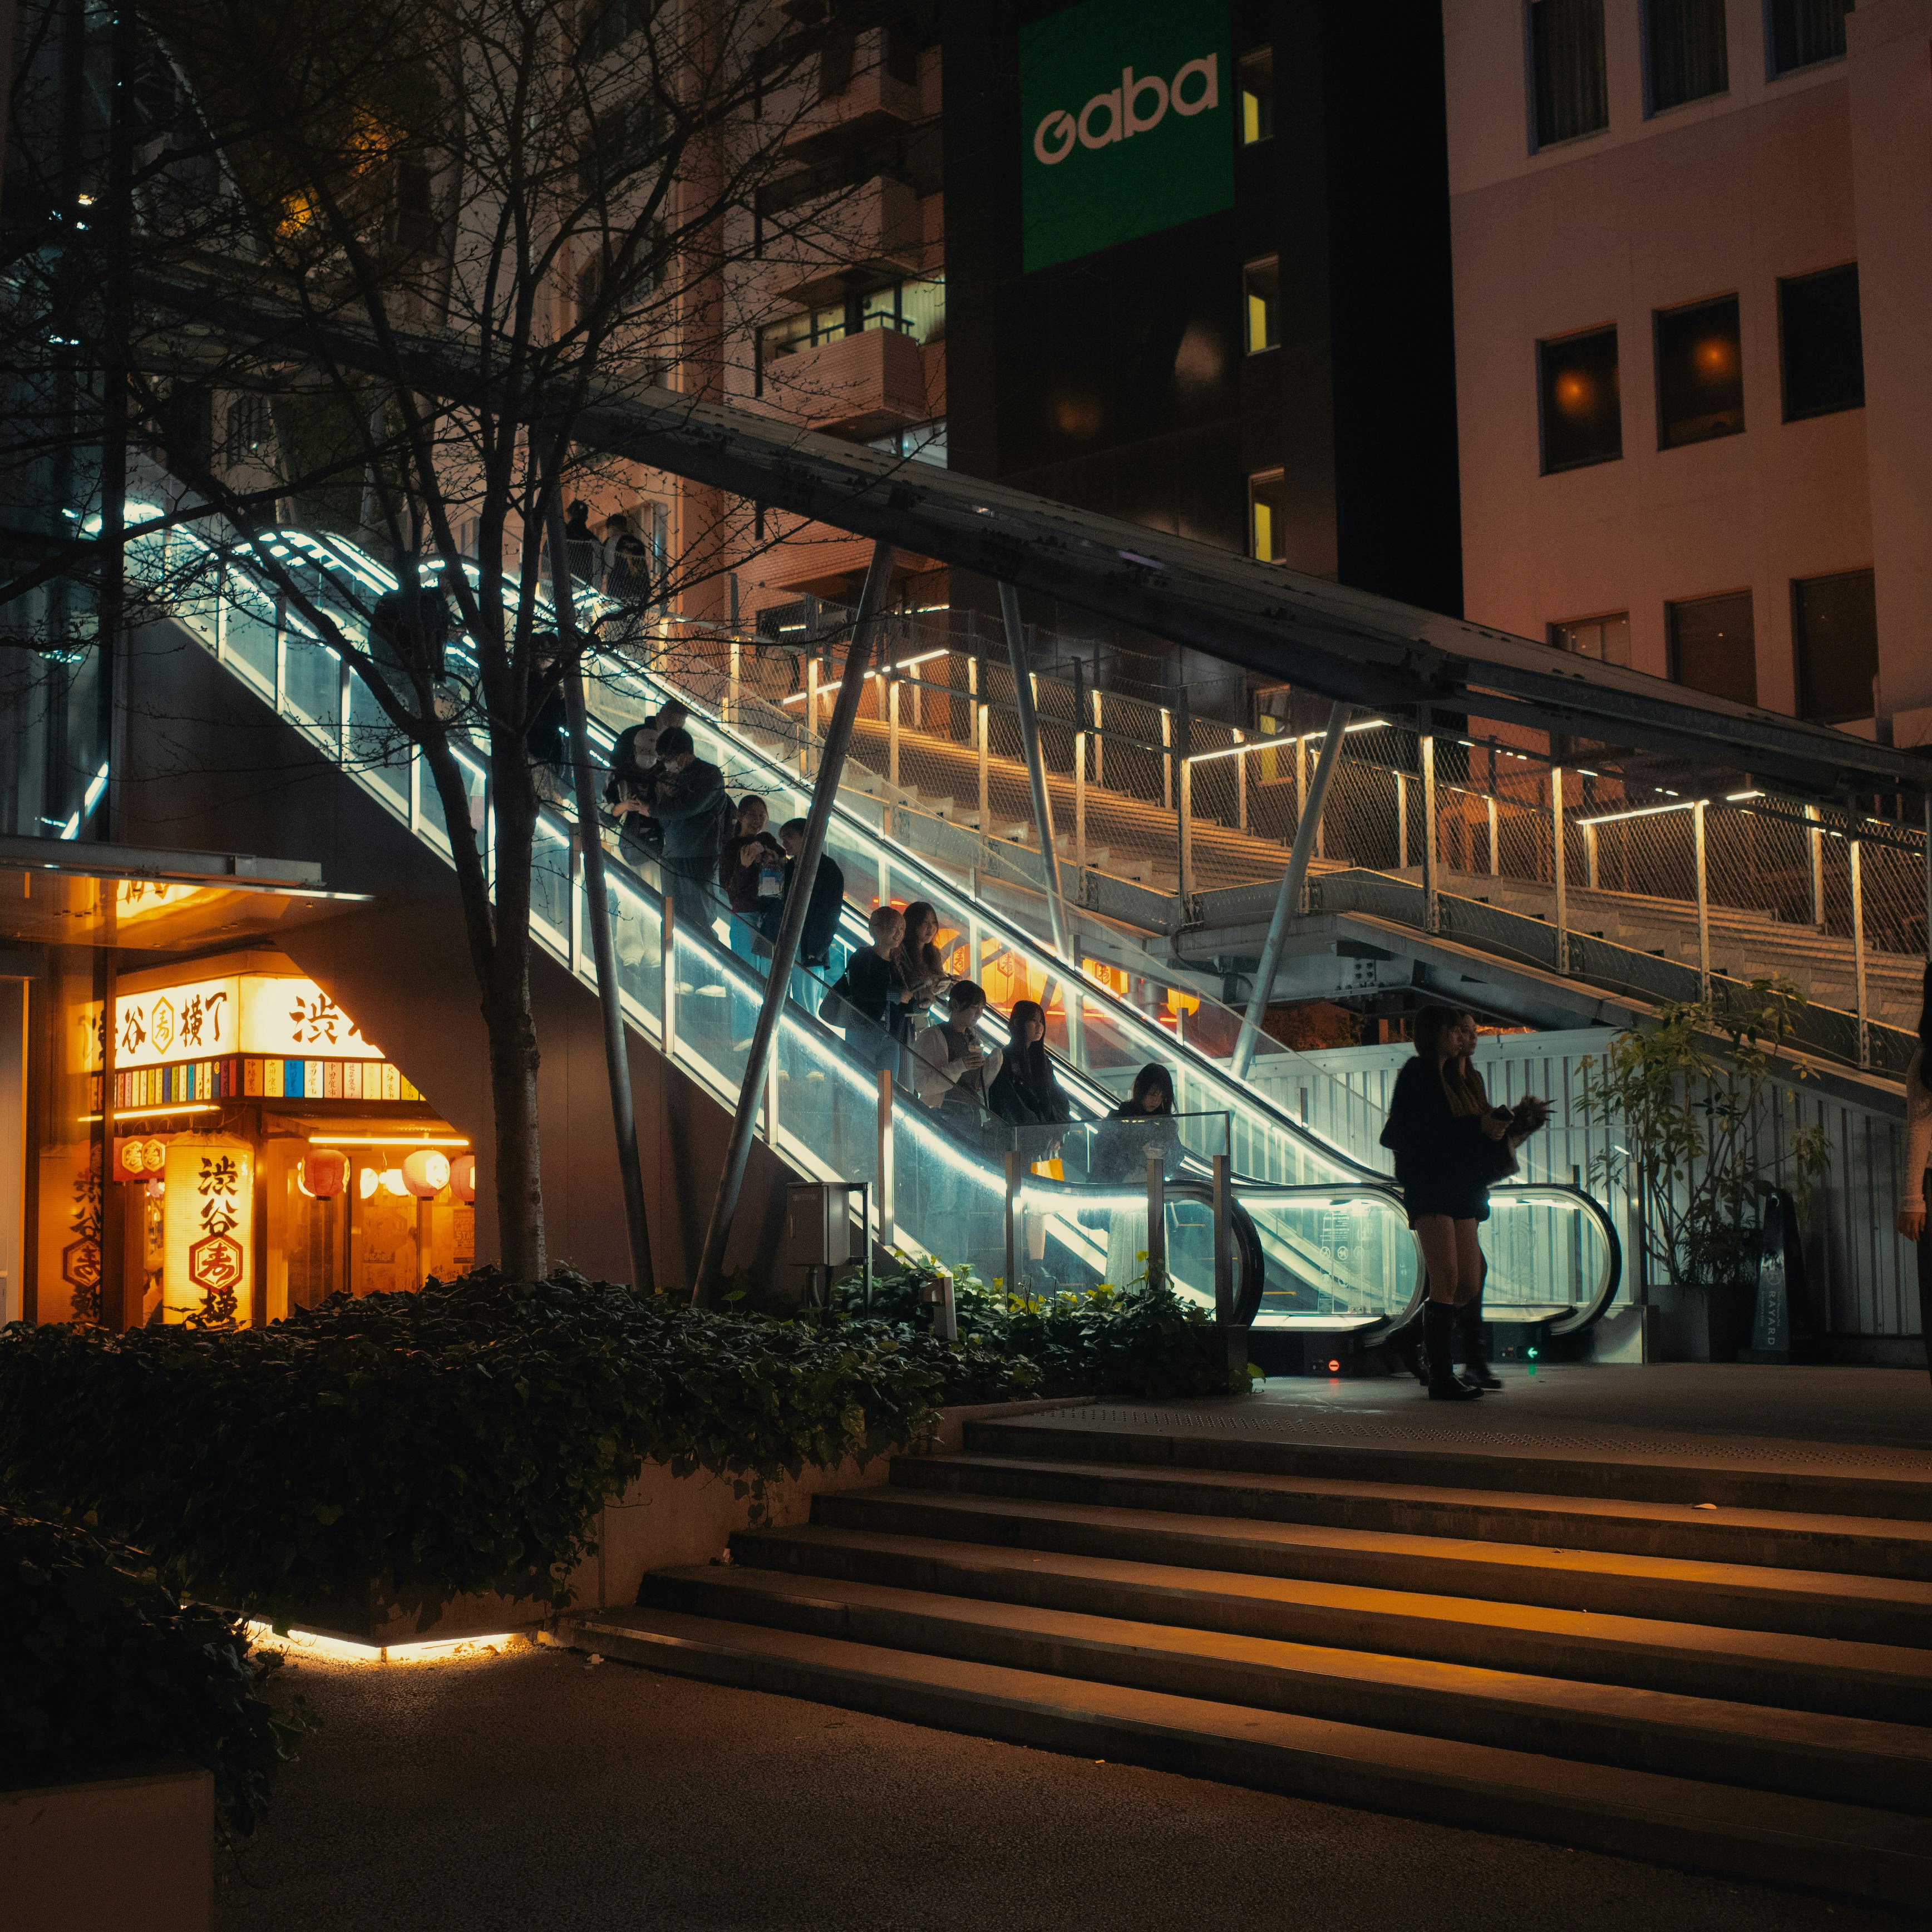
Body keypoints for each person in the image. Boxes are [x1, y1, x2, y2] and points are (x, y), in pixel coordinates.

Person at [1379, 1006, 1549, 1401]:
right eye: (1454, 1031)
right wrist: (1480, 1127)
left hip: (1462, 1187)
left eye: (1464, 1031)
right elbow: (1423, 1131)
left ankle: (1413, 1341)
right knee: (1448, 1277)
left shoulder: (1464, 1079)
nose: (1463, 1038)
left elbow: (1472, 1137)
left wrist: (1509, 1125)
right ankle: (1442, 1375)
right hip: (1431, 1185)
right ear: (1434, 1035)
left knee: (1468, 1281)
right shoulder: (1418, 1074)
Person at [1093, 1062, 1180, 1287]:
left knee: (1150, 1248)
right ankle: (1128, 1301)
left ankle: (1151, 1300)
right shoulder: (1121, 1116)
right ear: (1141, 1090)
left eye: (1160, 1095)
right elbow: (1106, 1153)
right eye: (1151, 1094)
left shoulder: (1166, 1123)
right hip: (1127, 1194)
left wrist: (1163, 1156)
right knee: (1127, 1251)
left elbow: (1177, 1156)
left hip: (1152, 1195)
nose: (1155, 1100)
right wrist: (1140, 1155)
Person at [645, 726, 728, 935]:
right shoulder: (669, 777)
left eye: (667, 757)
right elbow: (669, 814)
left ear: (683, 754)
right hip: (673, 854)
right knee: (672, 919)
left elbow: (686, 808)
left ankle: (707, 966)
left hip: (700, 856)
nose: (665, 763)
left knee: (700, 920)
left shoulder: (710, 775)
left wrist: (652, 810)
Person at [1895, 962, 1932, 1392]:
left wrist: (1914, 1200)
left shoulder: (1925, 1057)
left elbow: (1920, 1127)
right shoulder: (1926, 1060)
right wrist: (1913, 1198)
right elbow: (1921, 1127)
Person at [913, 979, 1002, 1135]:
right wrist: (960, 1066)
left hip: (972, 1114)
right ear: (955, 1005)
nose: (979, 1014)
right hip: (945, 1113)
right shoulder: (932, 1036)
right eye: (974, 1007)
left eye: (982, 1008)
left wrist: (992, 1065)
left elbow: (976, 1084)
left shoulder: (972, 1036)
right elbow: (923, 1085)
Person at [826, 903, 906, 1073]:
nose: (899, 933)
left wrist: (918, 1004)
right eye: (893, 928)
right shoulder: (863, 956)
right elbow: (861, 991)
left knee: (889, 1091)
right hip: (863, 1030)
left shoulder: (898, 963)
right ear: (876, 930)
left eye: (902, 929)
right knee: (862, 1081)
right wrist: (894, 995)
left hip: (891, 1036)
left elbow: (903, 1001)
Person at [780, 817, 845, 1009]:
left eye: (789, 837)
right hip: (792, 943)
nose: (785, 843)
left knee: (805, 1005)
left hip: (809, 950)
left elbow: (830, 914)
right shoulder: (791, 867)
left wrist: (816, 949)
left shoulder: (827, 869)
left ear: (806, 837)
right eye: (783, 838)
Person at [718, 794, 786, 957]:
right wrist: (744, 866)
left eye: (762, 815)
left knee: (767, 972)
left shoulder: (768, 843)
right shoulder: (732, 847)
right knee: (747, 968)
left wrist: (775, 860)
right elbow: (727, 887)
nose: (757, 820)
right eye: (751, 815)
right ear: (740, 816)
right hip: (745, 914)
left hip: (768, 914)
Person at [989, 999, 1072, 1128]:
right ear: (1018, 1023)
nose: (1039, 1027)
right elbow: (1010, 1103)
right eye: (1033, 1021)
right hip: (1020, 1133)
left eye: (1041, 1022)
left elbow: (1057, 1095)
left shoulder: (1042, 1061)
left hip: (1041, 1132)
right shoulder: (1004, 1059)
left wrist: (1058, 1128)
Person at [891, 899, 952, 1047]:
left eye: (934, 923)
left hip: (920, 1017)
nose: (931, 928)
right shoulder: (899, 951)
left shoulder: (933, 953)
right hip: (900, 1017)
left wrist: (948, 984)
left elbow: (941, 993)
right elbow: (905, 985)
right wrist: (930, 982)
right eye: (925, 923)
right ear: (913, 924)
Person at [562, 500, 597, 587]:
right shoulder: (593, 539)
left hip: (563, 585)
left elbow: (546, 565)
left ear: (569, 515)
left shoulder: (560, 535)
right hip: (587, 587)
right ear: (586, 518)